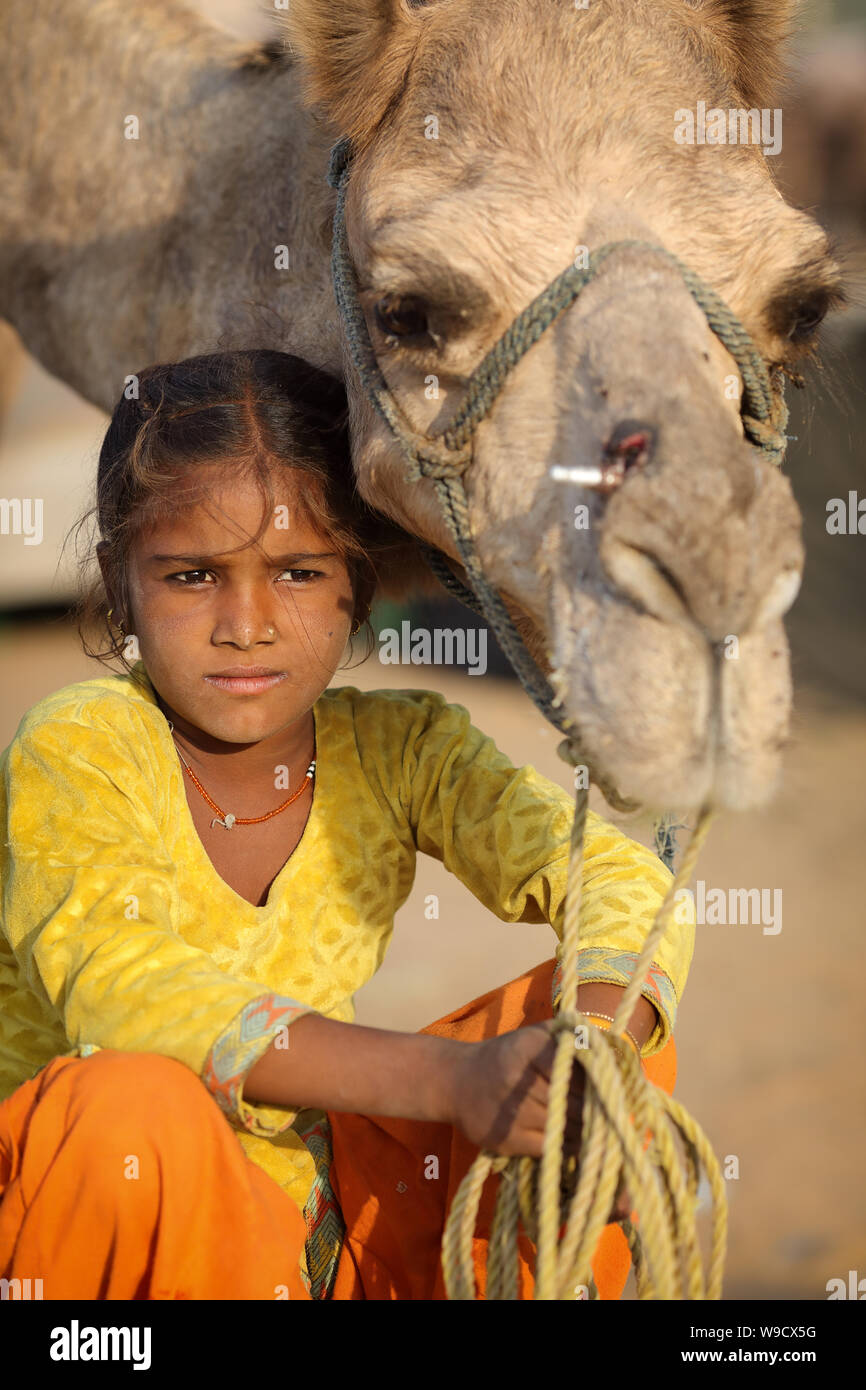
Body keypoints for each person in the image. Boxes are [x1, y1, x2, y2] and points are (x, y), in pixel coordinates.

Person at [0, 351, 691, 1301]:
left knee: (584, 1053)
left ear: (358, 590)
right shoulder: (81, 750)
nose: (246, 625)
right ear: (121, 585)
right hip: (125, 1227)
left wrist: (589, 1060)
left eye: (297, 571)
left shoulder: (405, 749)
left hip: (335, 1228)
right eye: (193, 575)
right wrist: (453, 1082)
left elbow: (621, 883)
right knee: (127, 1103)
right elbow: (126, 998)